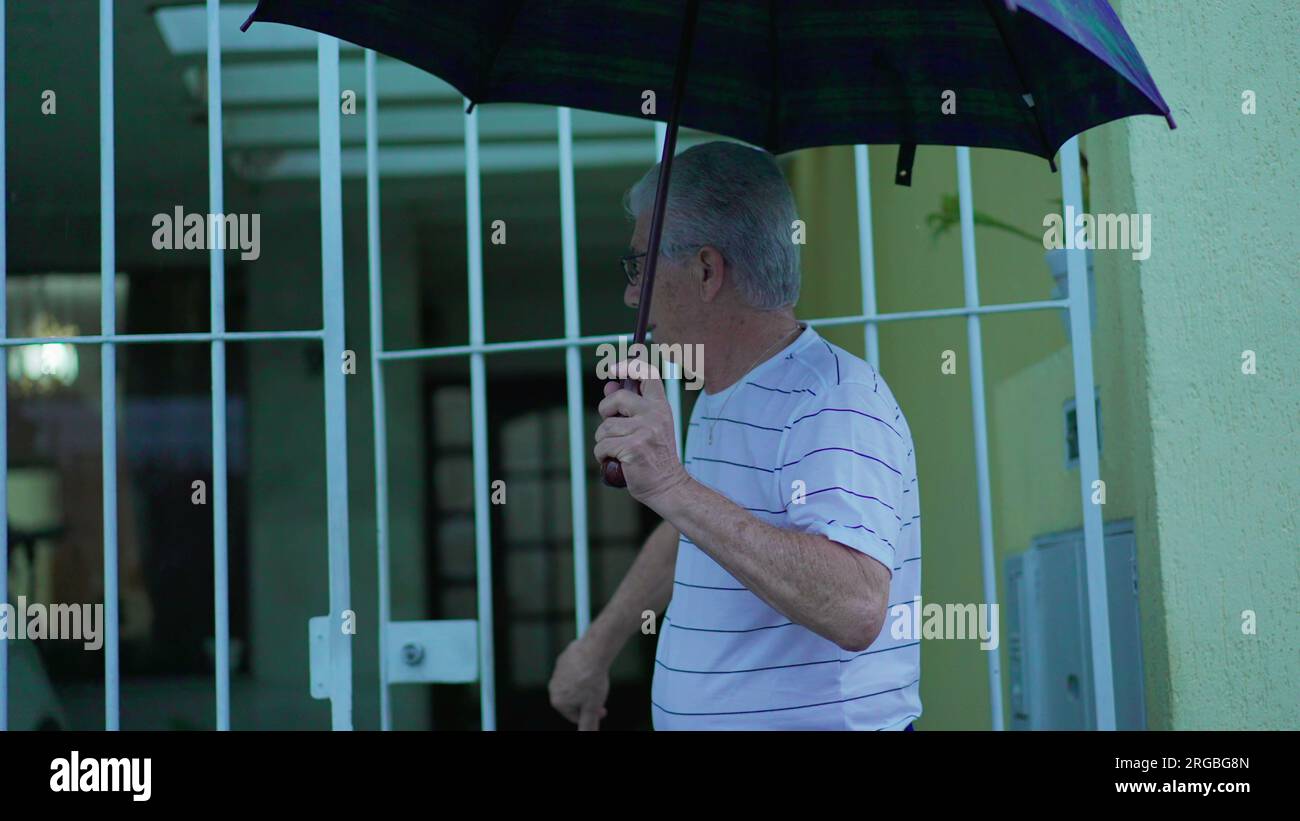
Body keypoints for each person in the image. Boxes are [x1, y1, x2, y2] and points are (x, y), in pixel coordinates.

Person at [548, 141, 921, 730]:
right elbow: (697, 533)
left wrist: (670, 483)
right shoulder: (724, 393)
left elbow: (854, 605)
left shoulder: (834, 397)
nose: (630, 294)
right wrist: (598, 647)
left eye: (639, 266)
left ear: (705, 271)